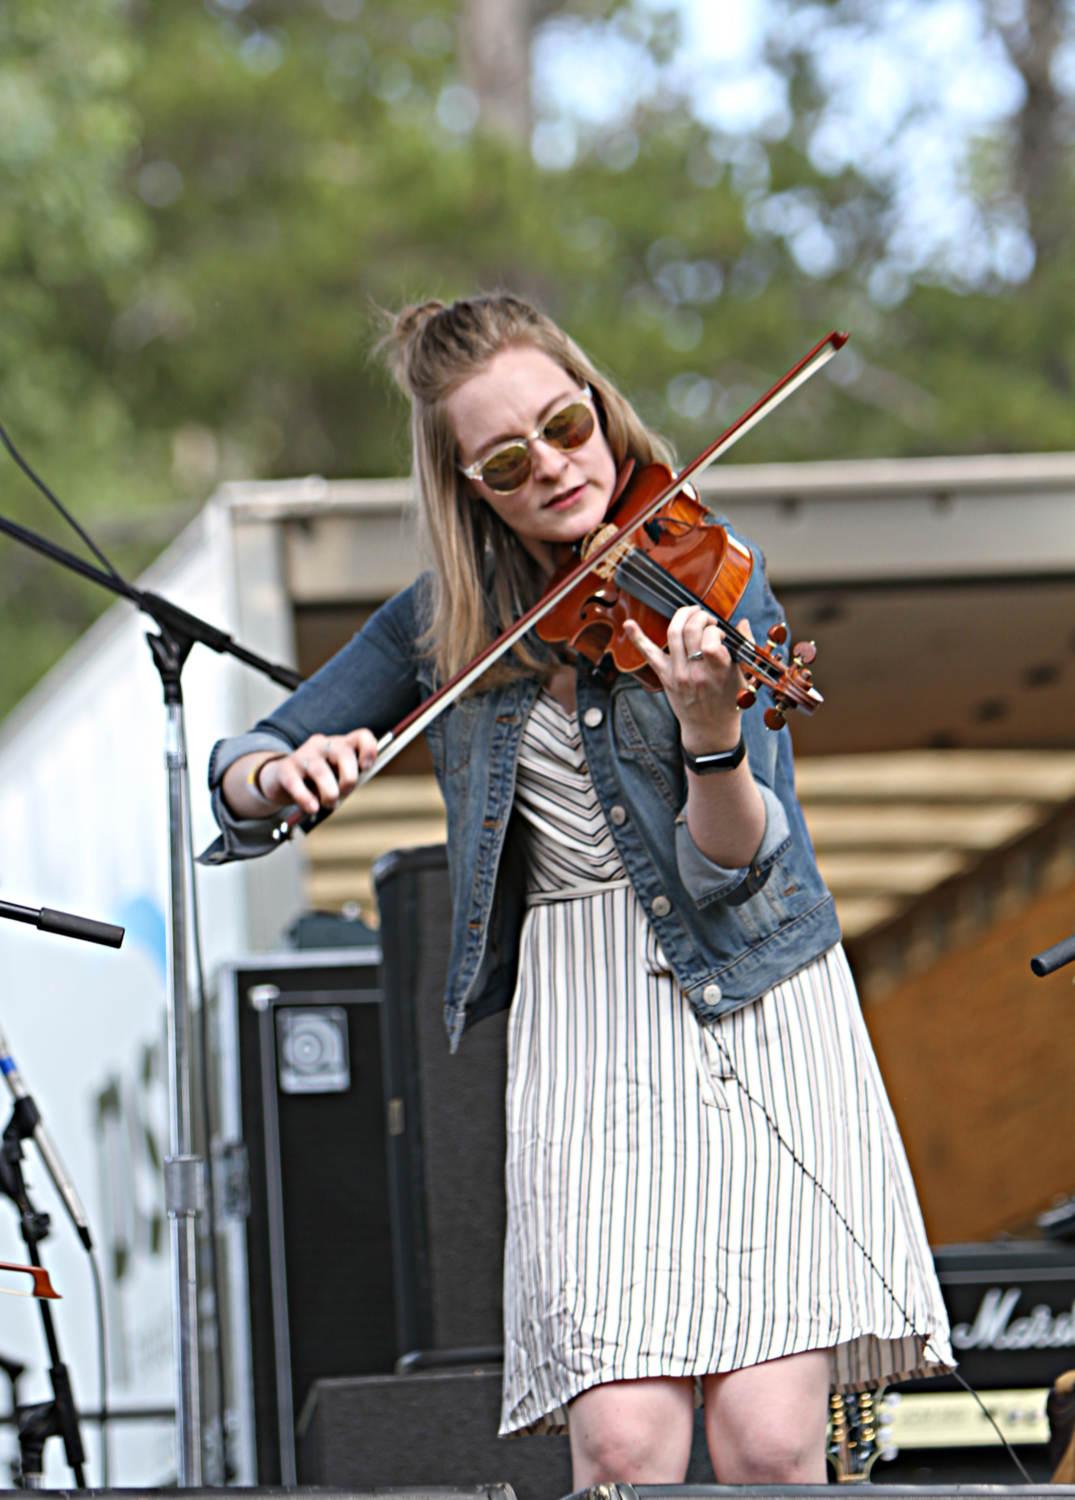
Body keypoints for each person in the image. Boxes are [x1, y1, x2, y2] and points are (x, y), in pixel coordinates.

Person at [202, 292, 953, 1486]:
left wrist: (710, 733)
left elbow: (732, 860)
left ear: (600, 409)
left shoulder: (709, 576)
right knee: (621, 1442)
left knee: (765, 1441)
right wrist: (274, 772)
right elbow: (245, 766)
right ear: (465, 486)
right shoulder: (443, 622)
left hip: (752, 990)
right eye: (508, 457)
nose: (554, 466)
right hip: (584, 1014)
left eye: (567, 424)